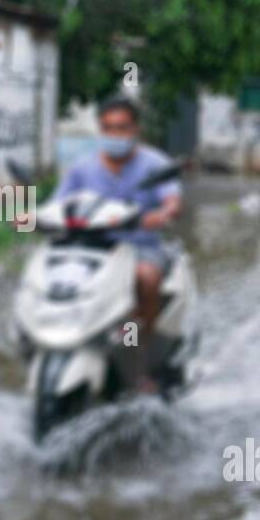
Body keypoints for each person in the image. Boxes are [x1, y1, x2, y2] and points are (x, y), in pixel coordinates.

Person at [54, 95, 182, 345]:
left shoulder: (156, 164)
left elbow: (172, 201)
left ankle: (141, 347)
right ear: (100, 130)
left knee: (146, 278)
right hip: (90, 248)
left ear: (135, 129)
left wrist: (163, 214)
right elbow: (58, 205)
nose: (114, 135)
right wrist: (28, 217)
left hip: (140, 247)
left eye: (122, 127)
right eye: (108, 128)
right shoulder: (81, 168)